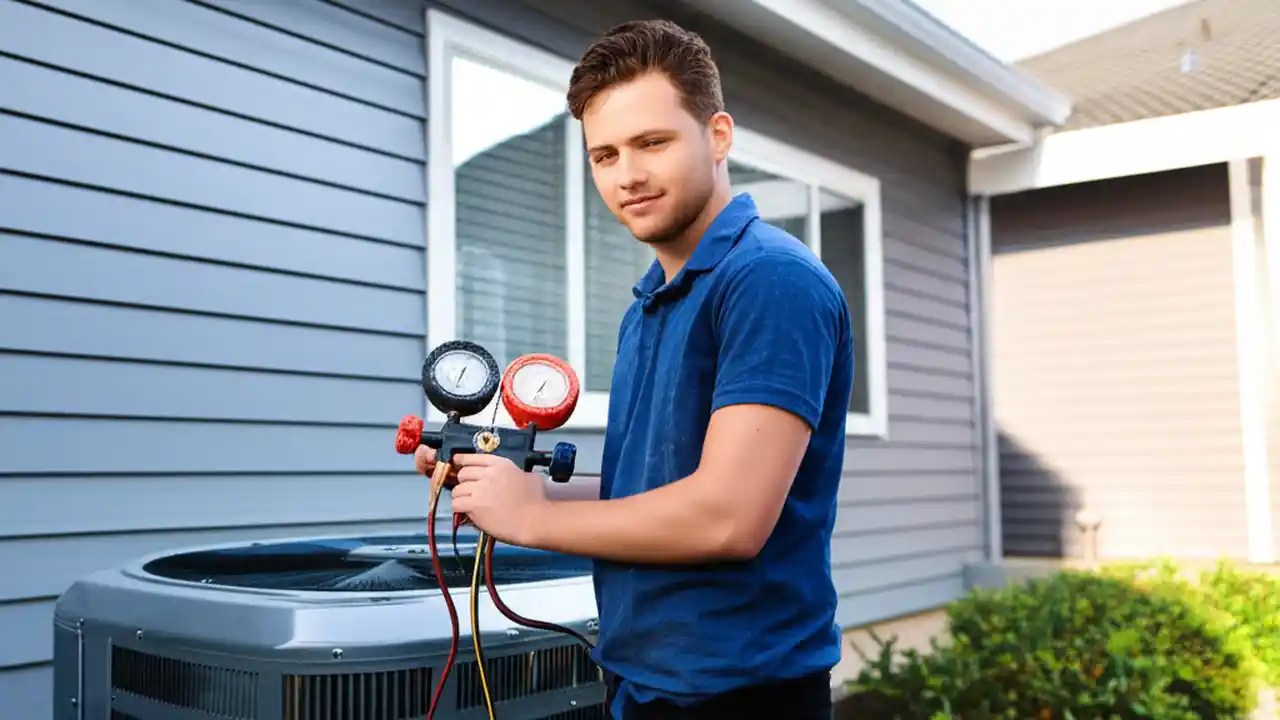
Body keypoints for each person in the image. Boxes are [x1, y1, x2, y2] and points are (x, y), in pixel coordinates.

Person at [414, 18, 854, 720]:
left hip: (739, 693)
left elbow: (727, 518)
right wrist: (502, 489)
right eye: (605, 154)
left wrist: (534, 521)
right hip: (640, 679)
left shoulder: (770, 280)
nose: (628, 175)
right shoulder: (651, 302)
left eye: (652, 143)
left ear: (717, 136)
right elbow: (648, 491)